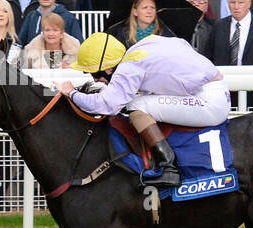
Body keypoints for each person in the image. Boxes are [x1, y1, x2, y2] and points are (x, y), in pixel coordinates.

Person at [56, 30, 228, 189]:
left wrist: (71, 93)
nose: (96, 80)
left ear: (109, 68)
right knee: (138, 101)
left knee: (136, 105)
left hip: (209, 102)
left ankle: (168, 167)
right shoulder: (143, 46)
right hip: (210, 91)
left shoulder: (129, 68)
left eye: (95, 74)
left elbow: (106, 105)